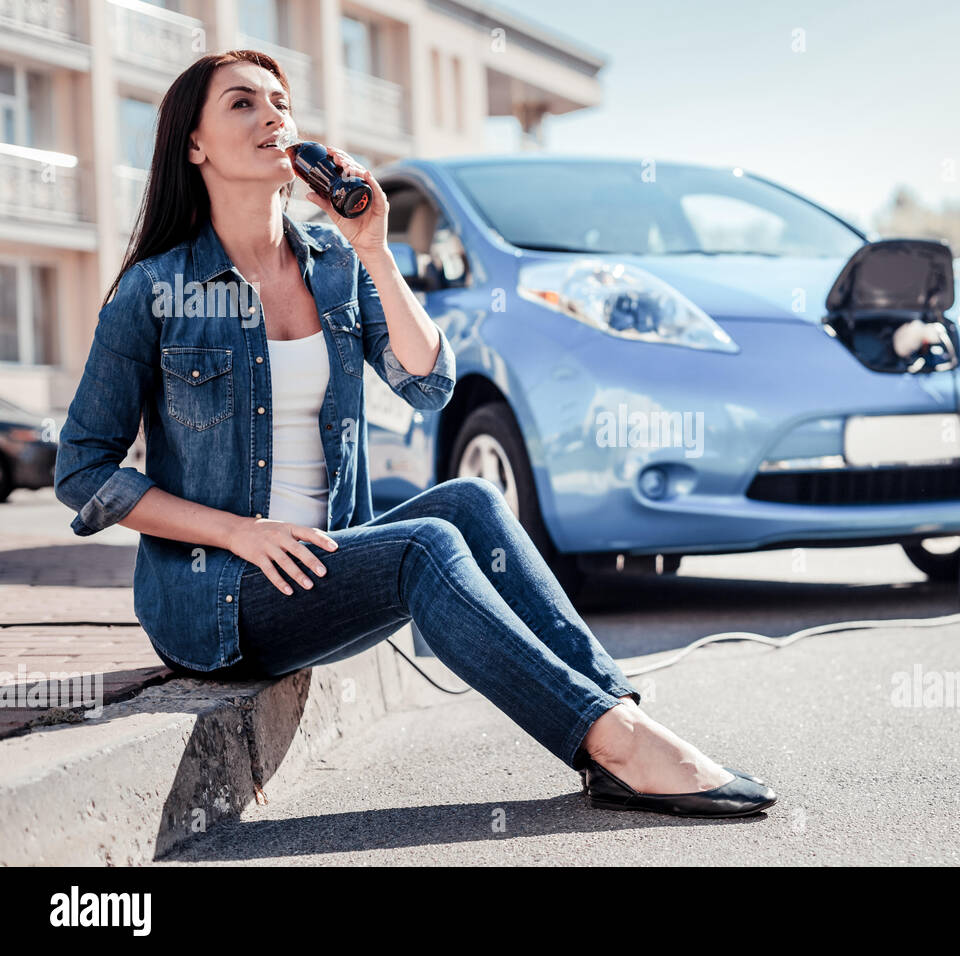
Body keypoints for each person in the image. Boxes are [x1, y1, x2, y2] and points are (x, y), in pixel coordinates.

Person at [52, 50, 776, 819]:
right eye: (241, 104)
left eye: (281, 102)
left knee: (469, 501)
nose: (273, 117)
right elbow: (84, 469)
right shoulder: (155, 289)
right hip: (218, 600)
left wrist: (371, 249)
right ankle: (618, 745)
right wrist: (238, 533)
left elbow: (426, 383)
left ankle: (617, 715)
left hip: (329, 568)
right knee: (425, 545)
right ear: (193, 145)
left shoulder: (333, 263)